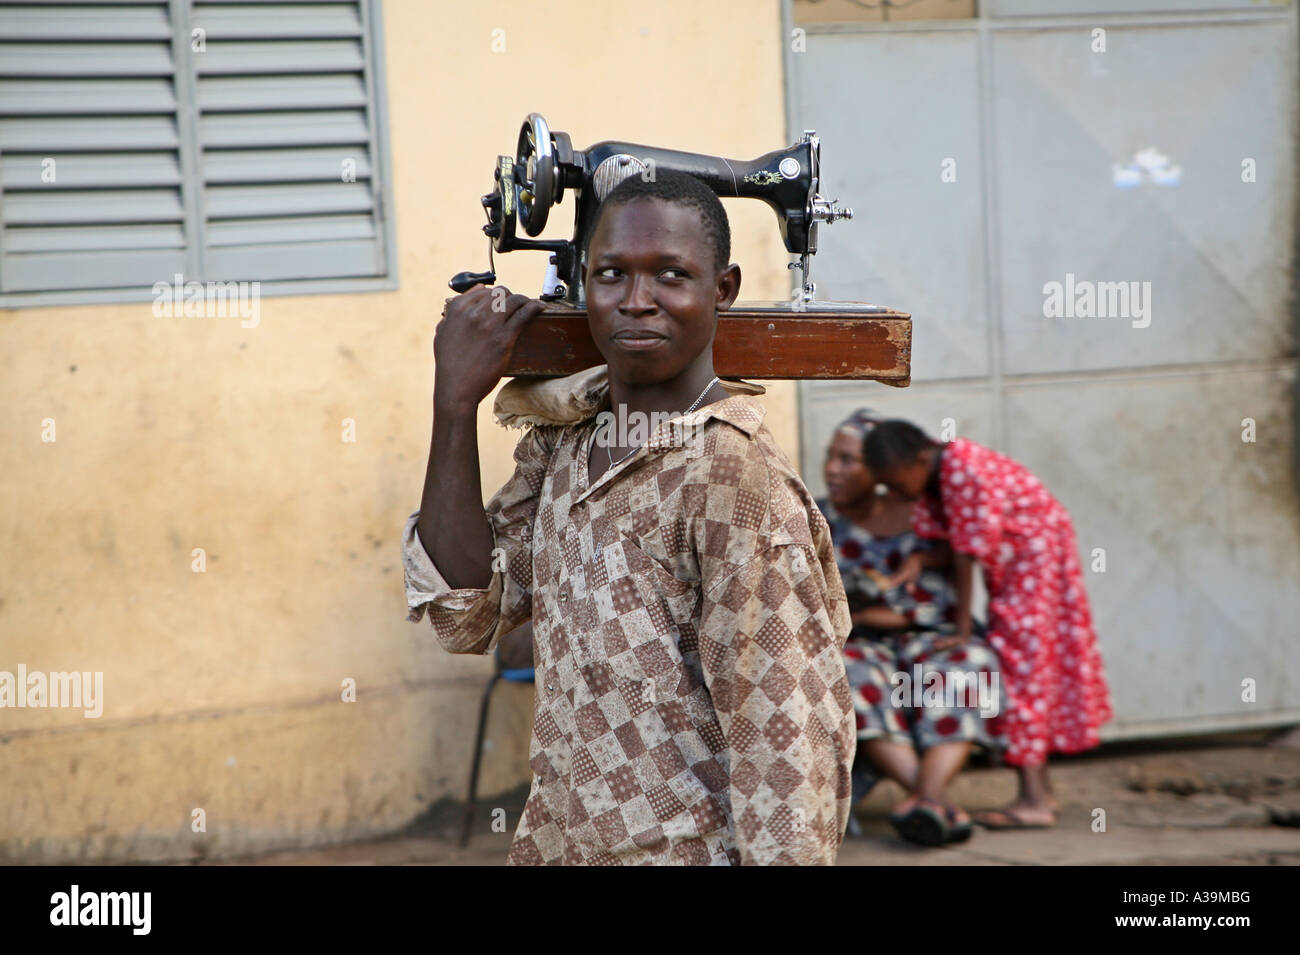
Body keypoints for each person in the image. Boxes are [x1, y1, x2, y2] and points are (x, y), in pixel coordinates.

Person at [403, 169, 858, 865]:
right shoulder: (565, 445)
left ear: (723, 290)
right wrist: (454, 404)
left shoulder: (733, 477)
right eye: (611, 274)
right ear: (584, 282)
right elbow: (466, 613)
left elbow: (786, 743)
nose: (637, 301)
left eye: (671, 275)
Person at [864, 420, 1113, 829]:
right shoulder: (941, 474)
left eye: (896, 482)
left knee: (1021, 671)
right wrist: (921, 561)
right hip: (1021, 563)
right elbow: (957, 545)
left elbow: (966, 555)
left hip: (1033, 563)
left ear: (920, 460)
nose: (895, 494)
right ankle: (1041, 792)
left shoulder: (963, 471)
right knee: (1023, 667)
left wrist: (961, 630)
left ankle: (1034, 800)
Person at [818, 409, 1004, 846]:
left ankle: (925, 797)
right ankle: (931, 800)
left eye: (847, 460)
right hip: (860, 641)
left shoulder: (924, 516)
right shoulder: (814, 520)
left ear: (880, 471)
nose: (832, 469)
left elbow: (940, 599)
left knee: (968, 664)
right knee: (848, 673)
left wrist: (892, 611)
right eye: (831, 457)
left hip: (928, 635)